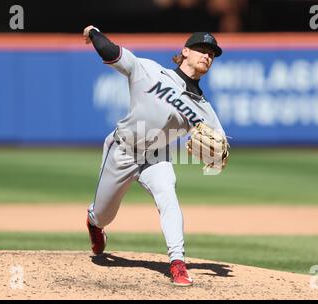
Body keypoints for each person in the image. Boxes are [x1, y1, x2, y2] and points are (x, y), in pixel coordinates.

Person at [83, 25, 227, 286]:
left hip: (157, 156)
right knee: (104, 214)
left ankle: (178, 262)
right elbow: (112, 52)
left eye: (212, 53)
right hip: (123, 151)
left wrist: (216, 155)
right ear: (185, 52)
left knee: (168, 196)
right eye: (201, 49)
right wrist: (94, 33)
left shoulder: (205, 110)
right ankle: (94, 223)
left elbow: (220, 151)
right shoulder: (149, 71)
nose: (207, 55)